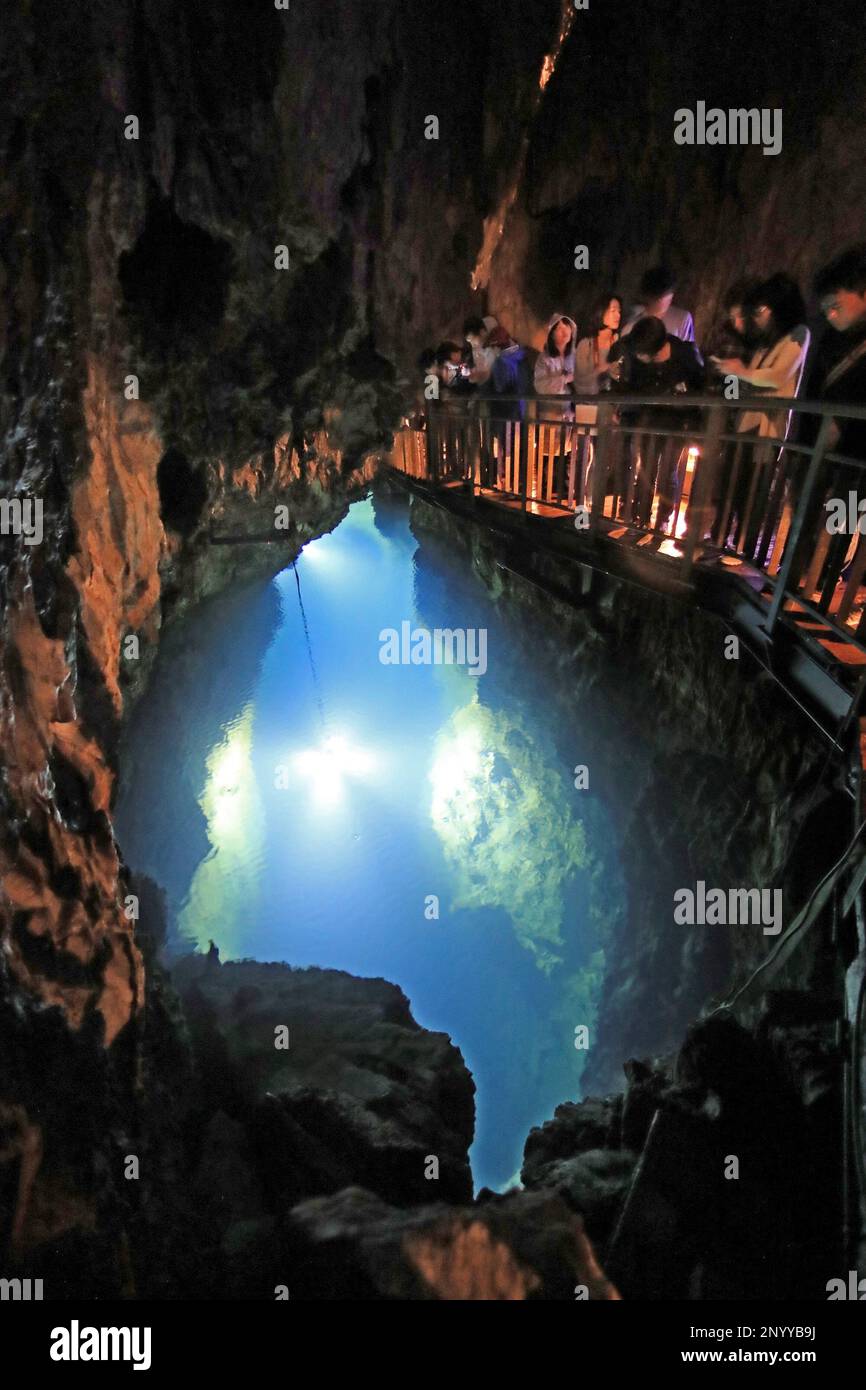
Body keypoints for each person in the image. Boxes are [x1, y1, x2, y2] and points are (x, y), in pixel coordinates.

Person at [709, 274, 810, 557]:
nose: (757, 318)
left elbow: (777, 377)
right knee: (732, 482)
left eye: (760, 311)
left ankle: (746, 551)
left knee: (754, 491)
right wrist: (732, 376)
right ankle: (720, 542)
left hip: (767, 426)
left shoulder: (798, 334)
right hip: (747, 421)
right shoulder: (765, 341)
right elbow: (751, 379)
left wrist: (740, 371)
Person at [610, 315, 705, 528]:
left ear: (656, 351)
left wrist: (686, 407)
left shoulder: (686, 355)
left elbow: (702, 388)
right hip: (649, 420)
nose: (636, 356)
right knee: (646, 469)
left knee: (669, 473)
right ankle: (640, 516)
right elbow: (630, 386)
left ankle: (663, 518)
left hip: (677, 425)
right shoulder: (639, 357)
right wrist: (620, 401)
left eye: (640, 353)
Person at [573, 293, 623, 505]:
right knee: (586, 453)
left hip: (607, 404)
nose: (617, 314)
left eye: (619, 310)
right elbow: (579, 377)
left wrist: (615, 373)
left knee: (603, 453)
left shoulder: (619, 342)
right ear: (600, 312)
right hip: (587, 403)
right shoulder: (587, 343)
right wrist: (601, 369)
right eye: (612, 310)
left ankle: (593, 497)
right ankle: (579, 498)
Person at [534, 313, 578, 500]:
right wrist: (563, 378)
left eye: (566, 327)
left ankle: (564, 488)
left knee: (565, 451)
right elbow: (540, 384)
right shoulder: (544, 358)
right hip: (550, 412)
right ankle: (545, 487)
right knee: (548, 451)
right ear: (551, 333)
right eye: (558, 328)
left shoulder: (573, 357)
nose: (563, 332)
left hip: (568, 411)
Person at [622, 266, 698, 347]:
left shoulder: (682, 318)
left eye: (670, 294)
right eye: (662, 297)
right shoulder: (632, 323)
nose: (670, 297)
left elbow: (689, 353)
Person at [463, 316, 497, 386]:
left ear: (482, 332)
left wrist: (481, 375)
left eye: (473, 340)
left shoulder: (495, 345)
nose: (472, 345)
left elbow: (494, 371)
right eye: (469, 342)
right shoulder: (480, 344)